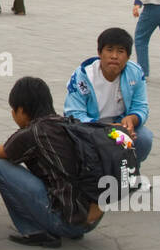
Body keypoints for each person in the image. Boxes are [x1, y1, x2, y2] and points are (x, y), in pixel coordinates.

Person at [0, 76, 105, 248]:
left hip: (67, 223)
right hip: (92, 219)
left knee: (0, 168)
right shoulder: (67, 123)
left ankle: (34, 231)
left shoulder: (32, 133)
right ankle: (72, 224)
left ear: (22, 110)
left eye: (13, 109)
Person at [64, 27, 154, 161]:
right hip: (90, 130)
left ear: (128, 56)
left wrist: (131, 119)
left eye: (121, 51)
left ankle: (131, 171)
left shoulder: (135, 73)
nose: (114, 56)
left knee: (144, 138)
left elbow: (141, 106)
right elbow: (74, 115)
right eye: (109, 50)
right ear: (99, 53)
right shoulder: (83, 76)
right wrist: (107, 129)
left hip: (119, 128)